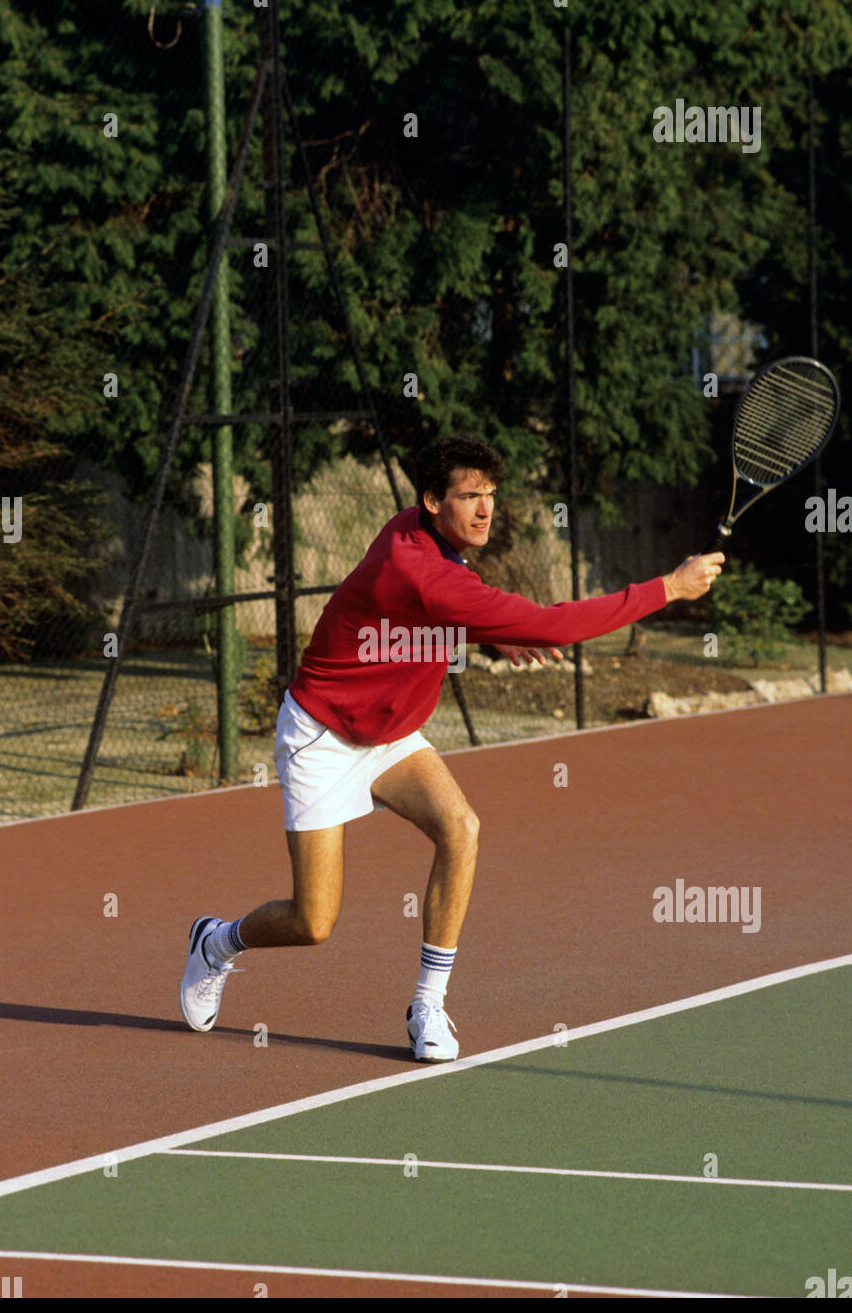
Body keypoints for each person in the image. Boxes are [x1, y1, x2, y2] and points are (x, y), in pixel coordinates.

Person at [180, 434, 724, 1060]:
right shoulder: (418, 569)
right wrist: (669, 589)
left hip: (390, 736)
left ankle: (427, 1004)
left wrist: (491, 638)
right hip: (322, 736)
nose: (486, 509)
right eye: (470, 496)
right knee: (314, 923)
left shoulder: (420, 532)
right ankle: (216, 943)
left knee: (461, 828)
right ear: (432, 501)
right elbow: (552, 624)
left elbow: (435, 620)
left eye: (491, 495)